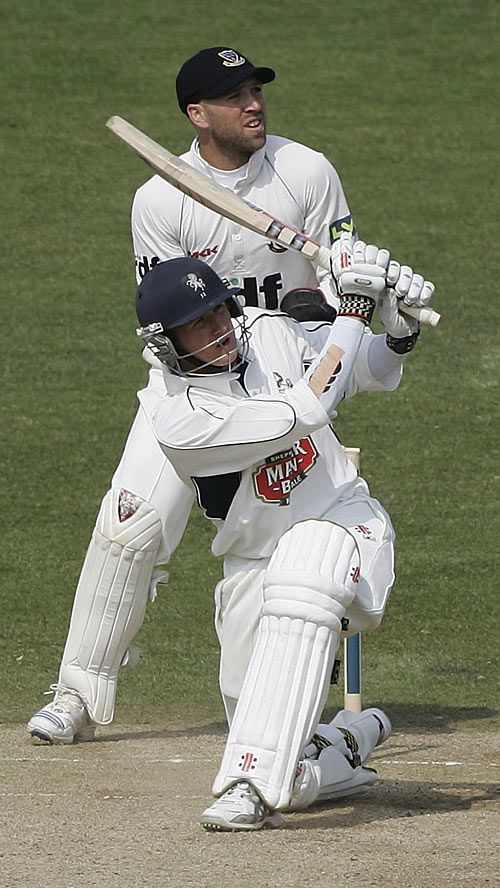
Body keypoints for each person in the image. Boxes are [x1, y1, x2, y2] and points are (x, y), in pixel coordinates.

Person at [27, 46, 428, 744]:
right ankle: (77, 694)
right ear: (197, 113)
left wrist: (359, 295)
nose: (255, 105)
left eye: (256, 91)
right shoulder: (160, 200)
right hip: (192, 390)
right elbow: (173, 311)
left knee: (284, 550)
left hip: (280, 370)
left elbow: (335, 289)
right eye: (235, 96)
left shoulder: (305, 171)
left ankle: (289, 703)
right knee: (129, 524)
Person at [130, 243, 434, 830]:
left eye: (220, 311)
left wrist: (396, 333)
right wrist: (351, 307)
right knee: (282, 760)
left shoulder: (266, 330)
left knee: (305, 560)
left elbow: (357, 368)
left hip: (347, 527)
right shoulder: (179, 418)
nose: (220, 329)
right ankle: (345, 740)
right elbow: (311, 405)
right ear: (167, 343)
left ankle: (245, 784)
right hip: (251, 564)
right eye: (199, 325)